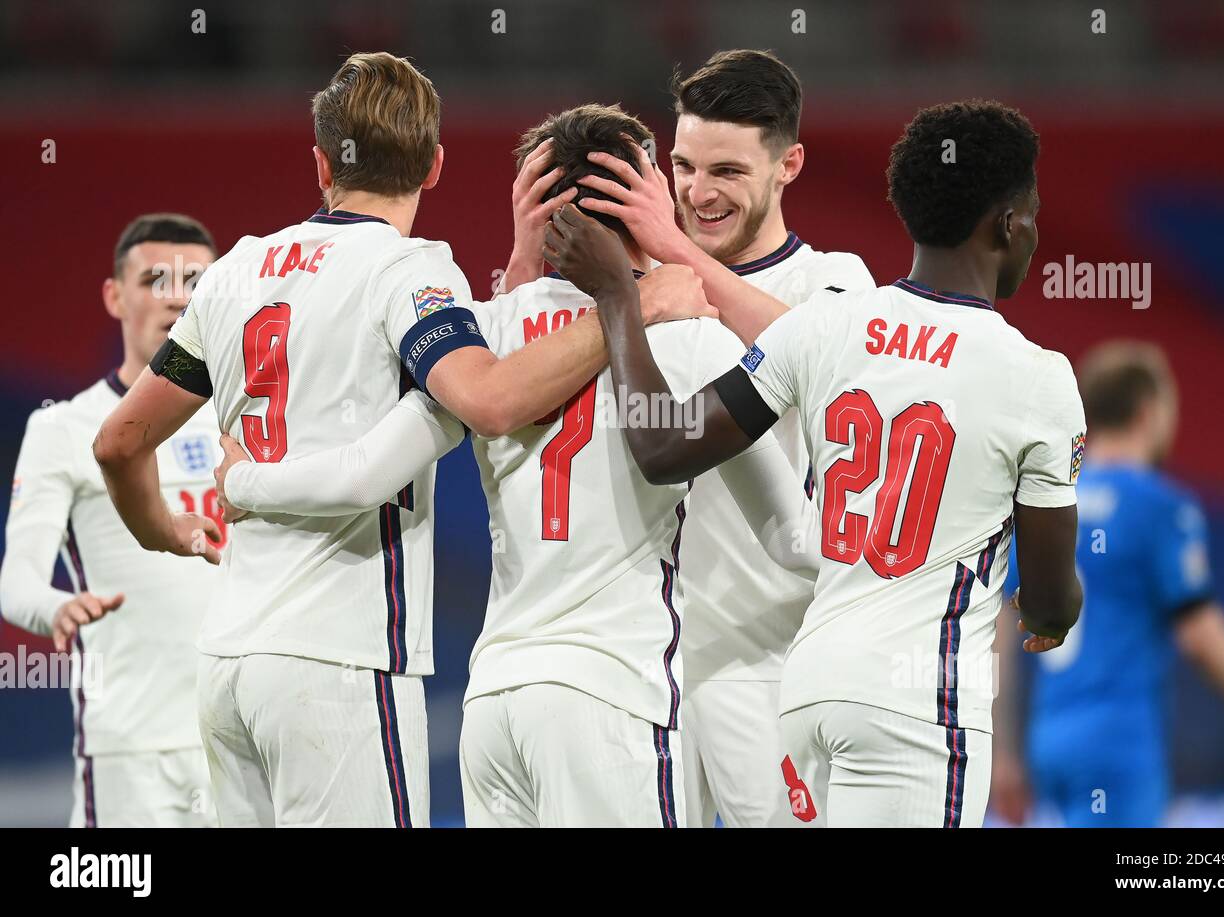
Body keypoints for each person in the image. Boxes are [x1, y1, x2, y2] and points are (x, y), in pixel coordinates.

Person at [91, 53, 706, 828]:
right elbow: (489, 398)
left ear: (320, 163)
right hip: (339, 662)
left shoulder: (236, 269)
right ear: (436, 164)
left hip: (224, 666)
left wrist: (168, 532)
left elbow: (118, 441)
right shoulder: (411, 273)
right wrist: (633, 296)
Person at [212, 104, 816, 828]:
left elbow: (363, 474)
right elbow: (793, 539)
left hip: (494, 706)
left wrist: (243, 481)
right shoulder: (694, 339)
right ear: (649, 195)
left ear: (540, 209)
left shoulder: (484, 341)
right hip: (611, 696)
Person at [544, 99, 1086, 827]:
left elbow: (663, 446)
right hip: (918, 701)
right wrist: (1052, 615)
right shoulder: (1038, 376)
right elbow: (1051, 596)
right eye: (1033, 211)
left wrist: (617, 297)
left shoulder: (825, 326)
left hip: (808, 693)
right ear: (1007, 222)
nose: (1035, 228)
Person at [506, 49, 874, 828]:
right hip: (640, 668)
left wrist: (671, 249)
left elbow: (831, 371)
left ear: (789, 164)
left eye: (728, 172)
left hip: (764, 665)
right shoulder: (620, 288)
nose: (697, 193)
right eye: (681, 166)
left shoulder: (833, 282)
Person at [991, 341, 1224, 827]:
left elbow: (1000, 632)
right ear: (1149, 410)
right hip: (1119, 743)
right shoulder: (1159, 506)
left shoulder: (1047, 508)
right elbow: (1200, 632)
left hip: (1049, 739)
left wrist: (1002, 748)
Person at [0, 214, 221, 827]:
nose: (178, 296)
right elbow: (15, 582)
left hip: (246, 736)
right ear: (114, 295)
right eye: (155, 278)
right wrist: (55, 609)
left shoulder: (250, 421)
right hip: (132, 747)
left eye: (196, 281)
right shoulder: (63, 428)